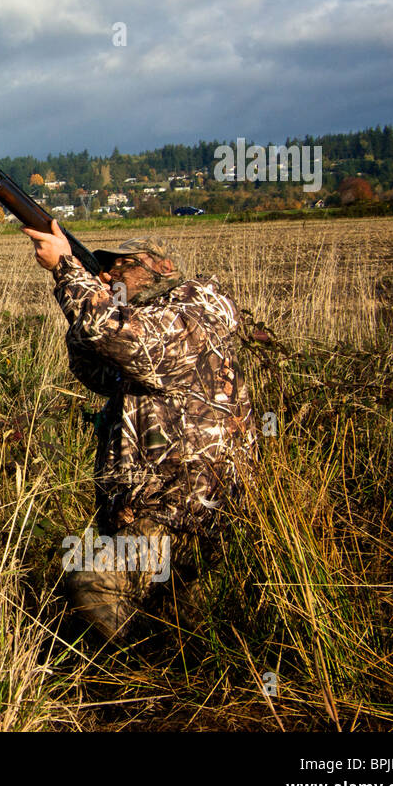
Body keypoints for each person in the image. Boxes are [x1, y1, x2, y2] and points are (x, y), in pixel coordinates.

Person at [23, 222, 257, 642]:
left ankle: (138, 672)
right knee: (175, 618)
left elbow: (120, 335)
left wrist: (66, 270)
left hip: (183, 512)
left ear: (163, 267)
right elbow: (96, 370)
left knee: (94, 583)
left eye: (122, 266)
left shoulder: (190, 313)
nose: (110, 275)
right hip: (143, 509)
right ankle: (165, 665)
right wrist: (88, 297)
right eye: (105, 269)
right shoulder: (146, 318)